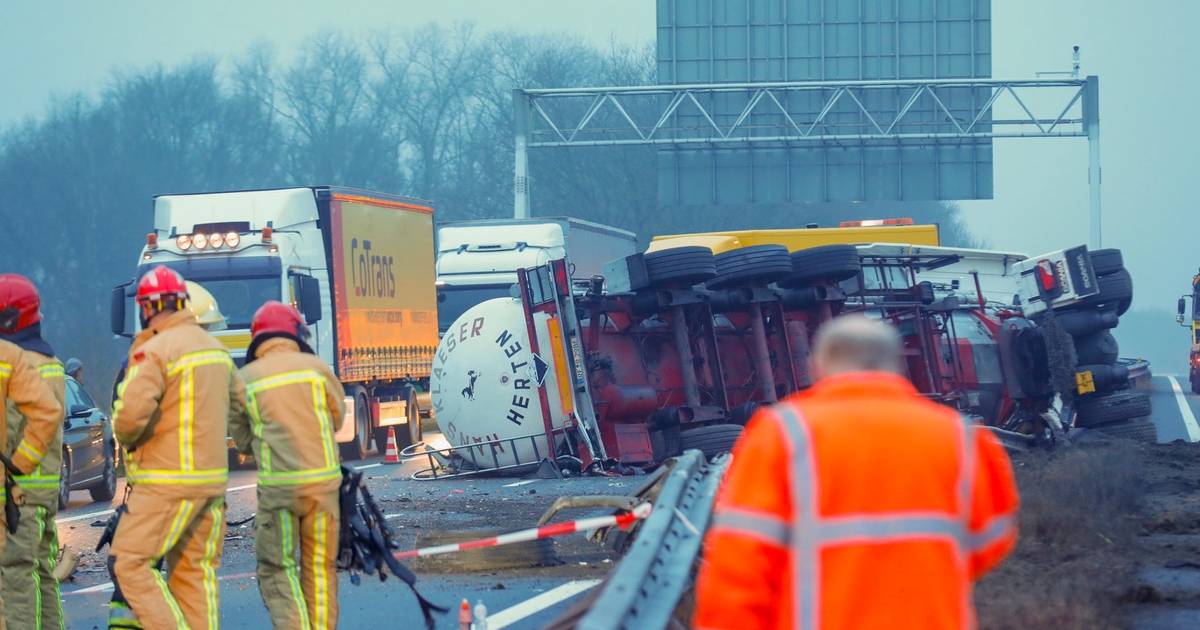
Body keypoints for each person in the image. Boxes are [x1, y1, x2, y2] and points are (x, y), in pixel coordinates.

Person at [693, 315, 1020, 630]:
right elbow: (992, 536)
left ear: (818, 365)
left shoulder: (781, 433)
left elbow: (738, 562)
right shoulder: (960, 435)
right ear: (894, 363)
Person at [107, 266, 245, 629]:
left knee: (131, 563)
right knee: (194, 578)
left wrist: (132, 443)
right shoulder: (216, 351)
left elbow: (128, 420)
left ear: (148, 308)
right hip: (212, 487)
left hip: (165, 484)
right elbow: (244, 414)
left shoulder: (153, 351)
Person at [230, 301, 344, 629]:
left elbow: (241, 441)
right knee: (320, 568)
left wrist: (272, 444)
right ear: (295, 332)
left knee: (277, 569)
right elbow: (336, 419)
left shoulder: (244, 379)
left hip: (279, 491)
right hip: (323, 489)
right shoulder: (317, 368)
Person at [0, 275, 67, 629]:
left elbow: (9, 431)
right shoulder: (50, 360)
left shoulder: (15, 362)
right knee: (43, 574)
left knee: (16, 578)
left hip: (17, 494)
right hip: (43, 491)